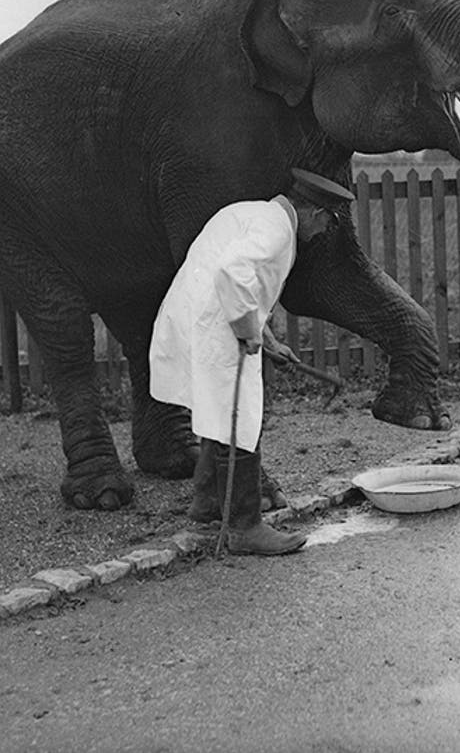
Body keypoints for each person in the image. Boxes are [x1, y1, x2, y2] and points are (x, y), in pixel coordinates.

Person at [148, 168, 356, 555]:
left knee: (220, 409)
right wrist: (247, 329)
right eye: (331, 220)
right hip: (217, 324)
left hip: (201, 316)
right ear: (313, 212)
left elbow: (238, 279)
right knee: (241, 415)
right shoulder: (276, 230)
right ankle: (245, 527)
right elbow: (233, 273)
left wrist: (269, 339)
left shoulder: (255, 213)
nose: (328, 229)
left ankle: (208, 505)